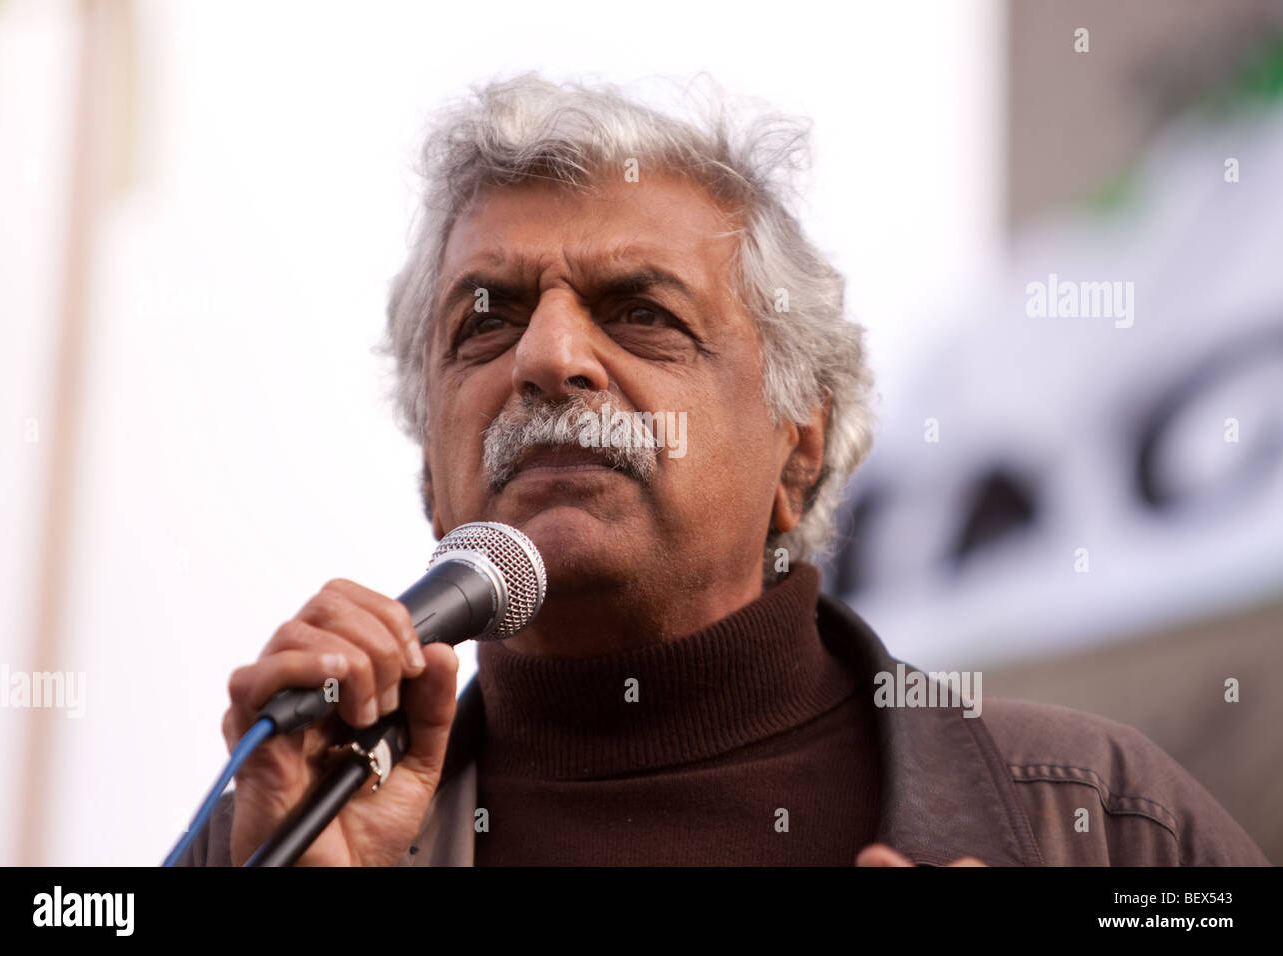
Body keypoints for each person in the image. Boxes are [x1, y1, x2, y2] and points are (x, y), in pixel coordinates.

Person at [180, 73, 1268, 867]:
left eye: (641, 313)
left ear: (799, 442)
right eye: (485, 321)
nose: (549, 358)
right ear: (431, 466)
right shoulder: (287, 825)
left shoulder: (1101, 821)